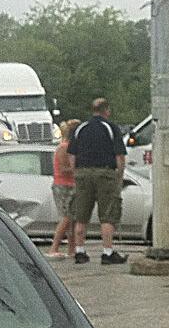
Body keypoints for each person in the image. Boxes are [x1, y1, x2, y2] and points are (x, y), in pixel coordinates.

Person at [67, 98, 128, 265]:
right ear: (106, 110)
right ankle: (107, 252)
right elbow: (119, 156)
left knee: (81, 215)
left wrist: (76, 173)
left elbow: (71, 154)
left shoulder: (80, 128)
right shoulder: (110, 128)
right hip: (104, 173)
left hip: (82, 173)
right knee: (107, 215)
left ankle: (80, 251)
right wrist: (119, 176)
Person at [44, 119, 81, 259]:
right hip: (63, 185)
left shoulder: (70, 147)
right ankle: (54, 247)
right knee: (67, 217)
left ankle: (72, 249)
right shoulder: (64, 147)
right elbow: (63, 169)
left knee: (73, 219)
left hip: (71, 185)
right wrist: (76, 168)